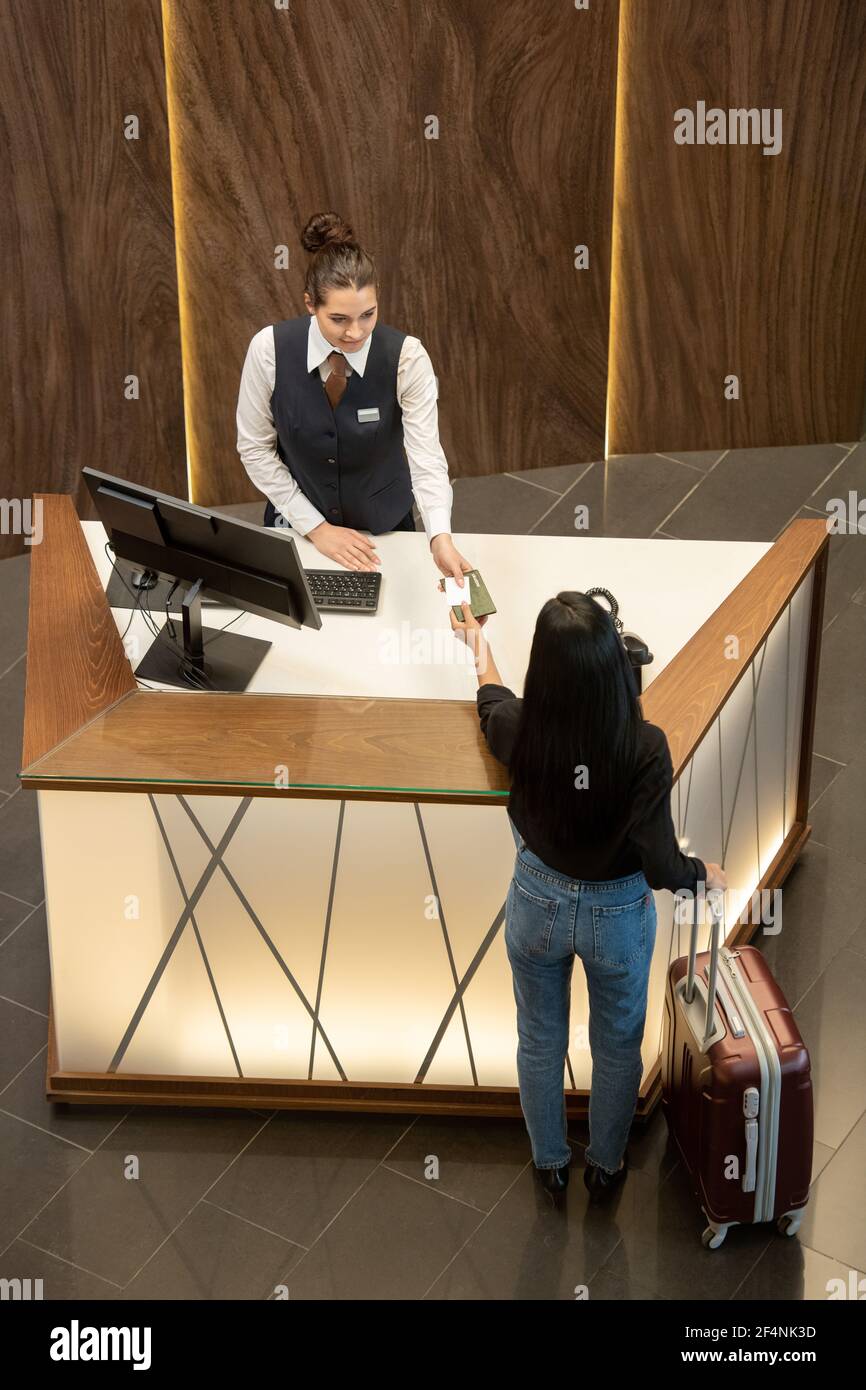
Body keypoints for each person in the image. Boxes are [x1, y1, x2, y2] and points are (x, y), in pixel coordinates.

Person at [450, 592, 727, 1203]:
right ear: (613, 666)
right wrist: (701, 873)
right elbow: (658, 863)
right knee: (617, 1041)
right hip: (618, 916)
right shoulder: (645, 746)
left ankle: (549, 1164)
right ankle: (605, 1165)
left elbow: (491, 703)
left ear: (542, 670)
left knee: (540, 1037)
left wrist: (479, 645)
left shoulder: (523, 729)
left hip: (536, 905)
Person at [236, 210, 472, 587]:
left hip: (384, 531)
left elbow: (425, 456)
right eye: (339, 319)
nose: (356, 332)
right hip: (297, 524)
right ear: (310, 304)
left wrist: (439, 536)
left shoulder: (408, 358)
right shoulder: (268, 349)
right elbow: (255, 449)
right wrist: (315, 527)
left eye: (368, 314)